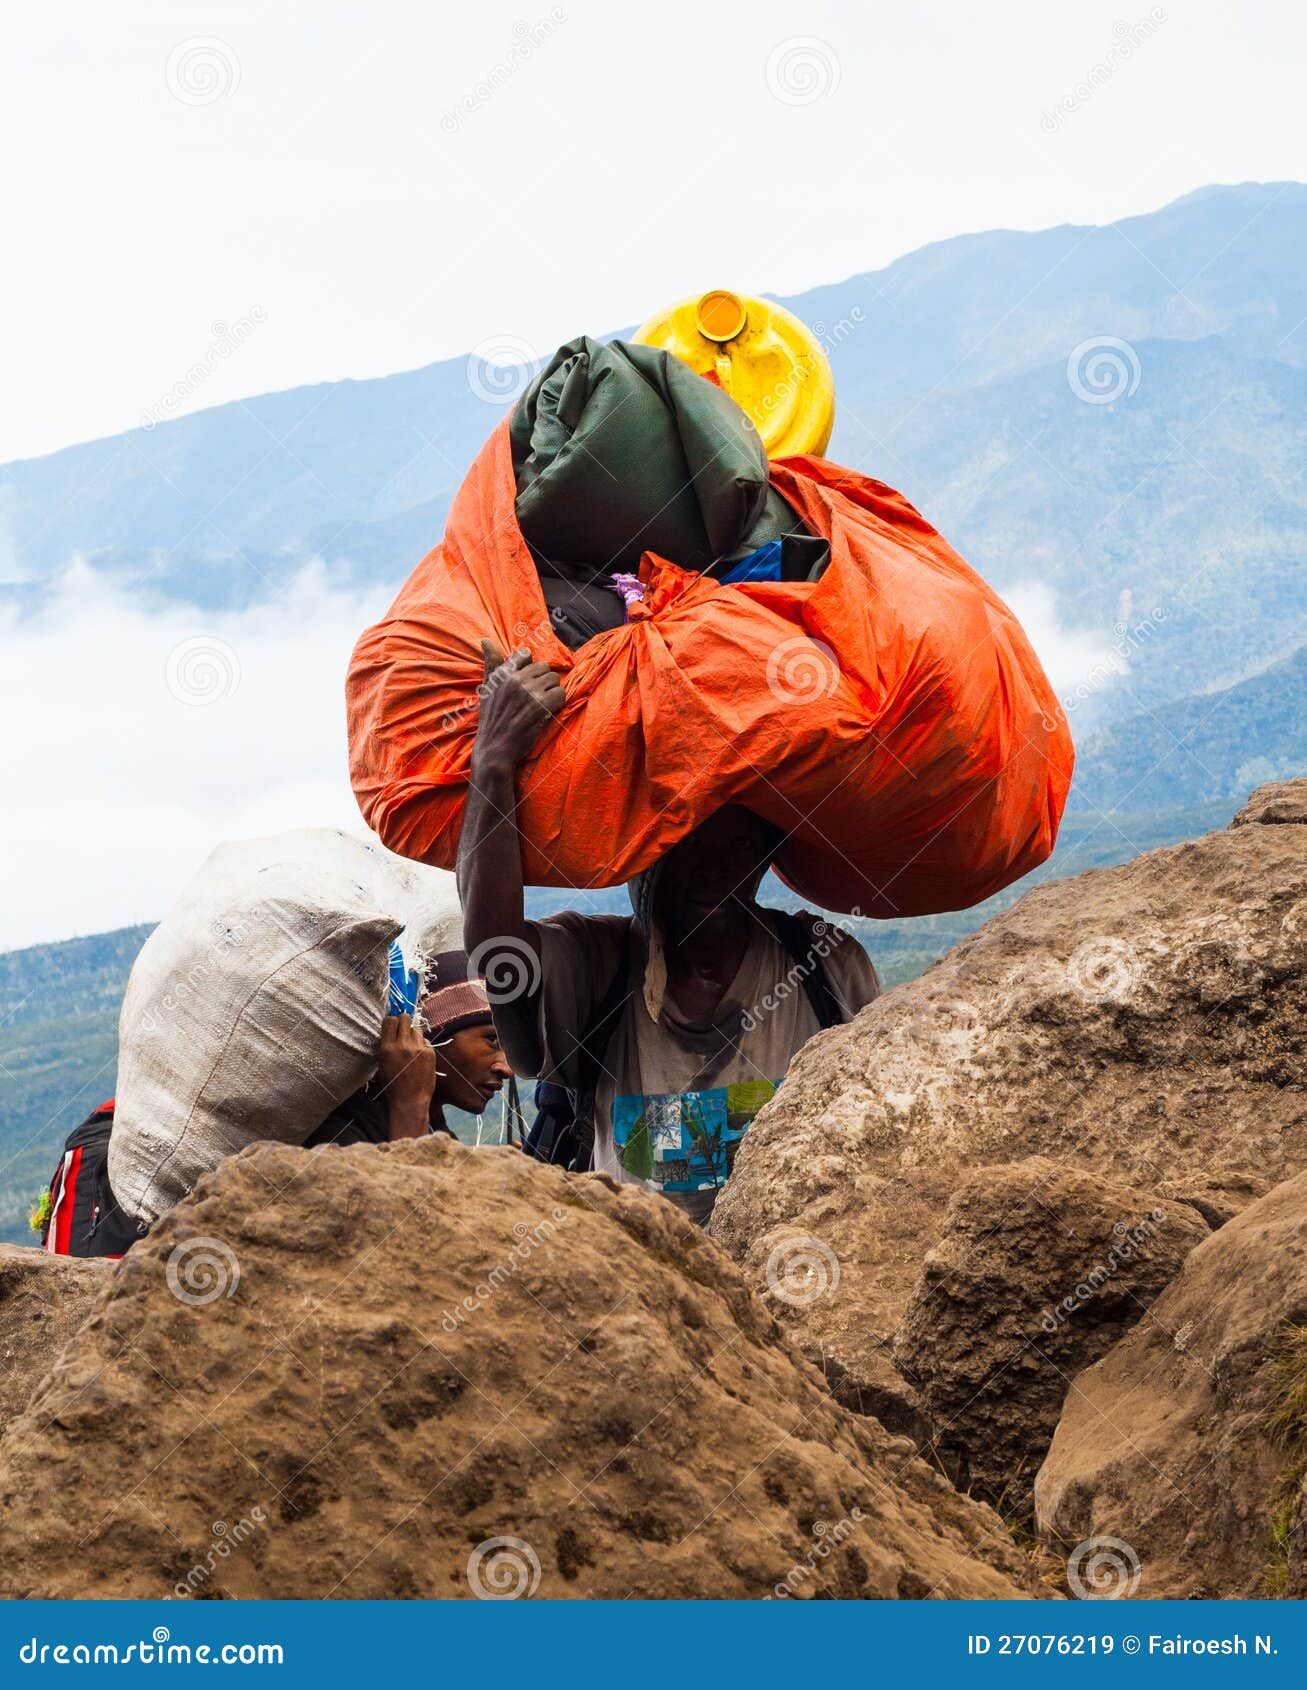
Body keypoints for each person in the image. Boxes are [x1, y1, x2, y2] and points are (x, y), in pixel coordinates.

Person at [458, 644, 881, 1225]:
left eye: (739, 845)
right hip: (647, 1300)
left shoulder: (822, 967)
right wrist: (493, 762)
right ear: (648, 854)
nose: (715, 868)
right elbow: (495, 949)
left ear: (764, 856)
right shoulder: (598, 968)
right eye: (690, 841)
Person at [307, 949, 514, 1147]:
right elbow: (410, 1183)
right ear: (425, 1038)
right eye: (492, 1040)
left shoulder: (435, 1129)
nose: (507, 1069)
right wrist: (410, 1107)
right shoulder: (342, 1132)